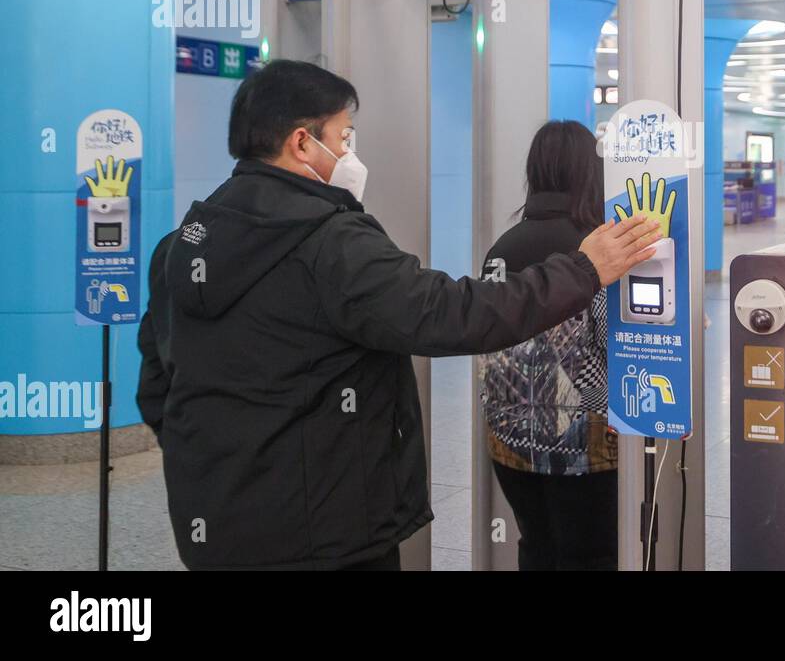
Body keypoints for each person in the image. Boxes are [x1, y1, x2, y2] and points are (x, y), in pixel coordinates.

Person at [136, 60, 658, 570]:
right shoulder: (331, 243)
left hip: (214, 524)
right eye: (343, 139)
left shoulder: (179, 246)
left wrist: (216, 460)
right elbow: (452, 313)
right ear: (301, 143)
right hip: (325, 531)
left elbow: (157, 387)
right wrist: (585, 269)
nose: (349, 154)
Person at [480, 121, 618, 570]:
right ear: (591, 173)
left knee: (536, 546)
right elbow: (609, 347)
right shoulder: (594, 249)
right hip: (584, 447)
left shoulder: (501, 248)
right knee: (591, 554)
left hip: (509, 440)